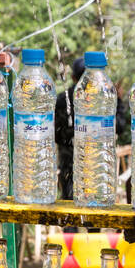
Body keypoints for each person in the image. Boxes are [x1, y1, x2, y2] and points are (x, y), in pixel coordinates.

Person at [55, 57, 87, 202]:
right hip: (94, 164)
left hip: (68, 160)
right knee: (97, 207)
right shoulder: (103, 96)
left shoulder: (63, 98)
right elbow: (120, 125)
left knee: (69, 207)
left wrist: (68, 139)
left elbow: (54, 132)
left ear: (73, 77)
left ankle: (70, 226)